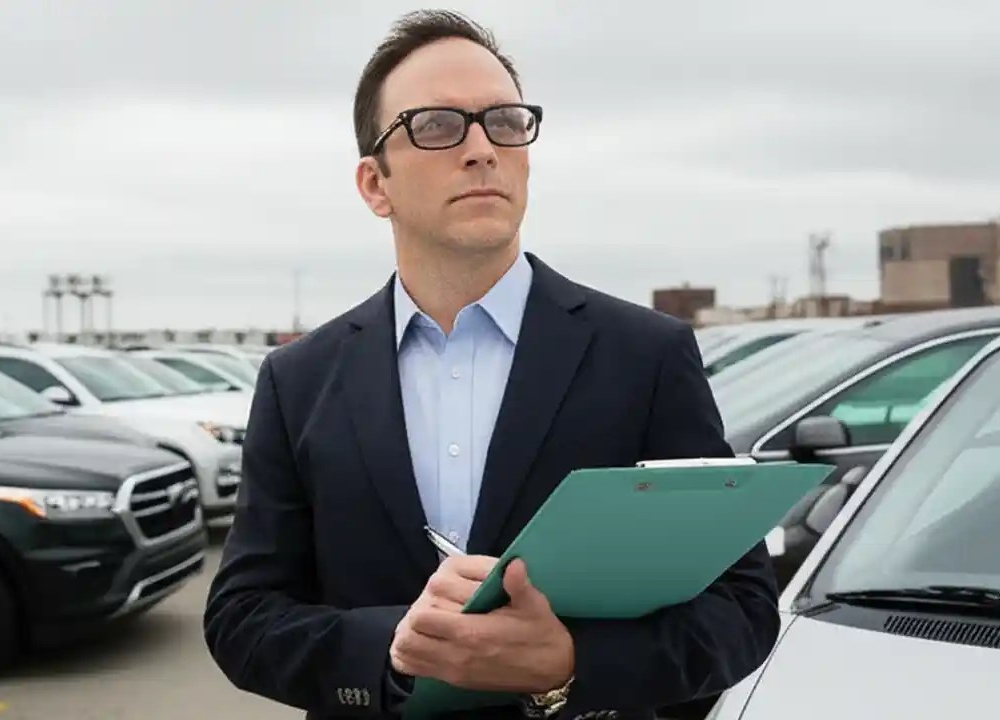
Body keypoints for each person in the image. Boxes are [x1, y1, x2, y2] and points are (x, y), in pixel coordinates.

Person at [204, 10, 779, 720]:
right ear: (374, 184)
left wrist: (571, 663)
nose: (481, 148)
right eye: (438, 126)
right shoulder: (300, 380)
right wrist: (394, 651)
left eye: (504, 121)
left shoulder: (645, 354)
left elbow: (743, 607)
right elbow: (242, 616)